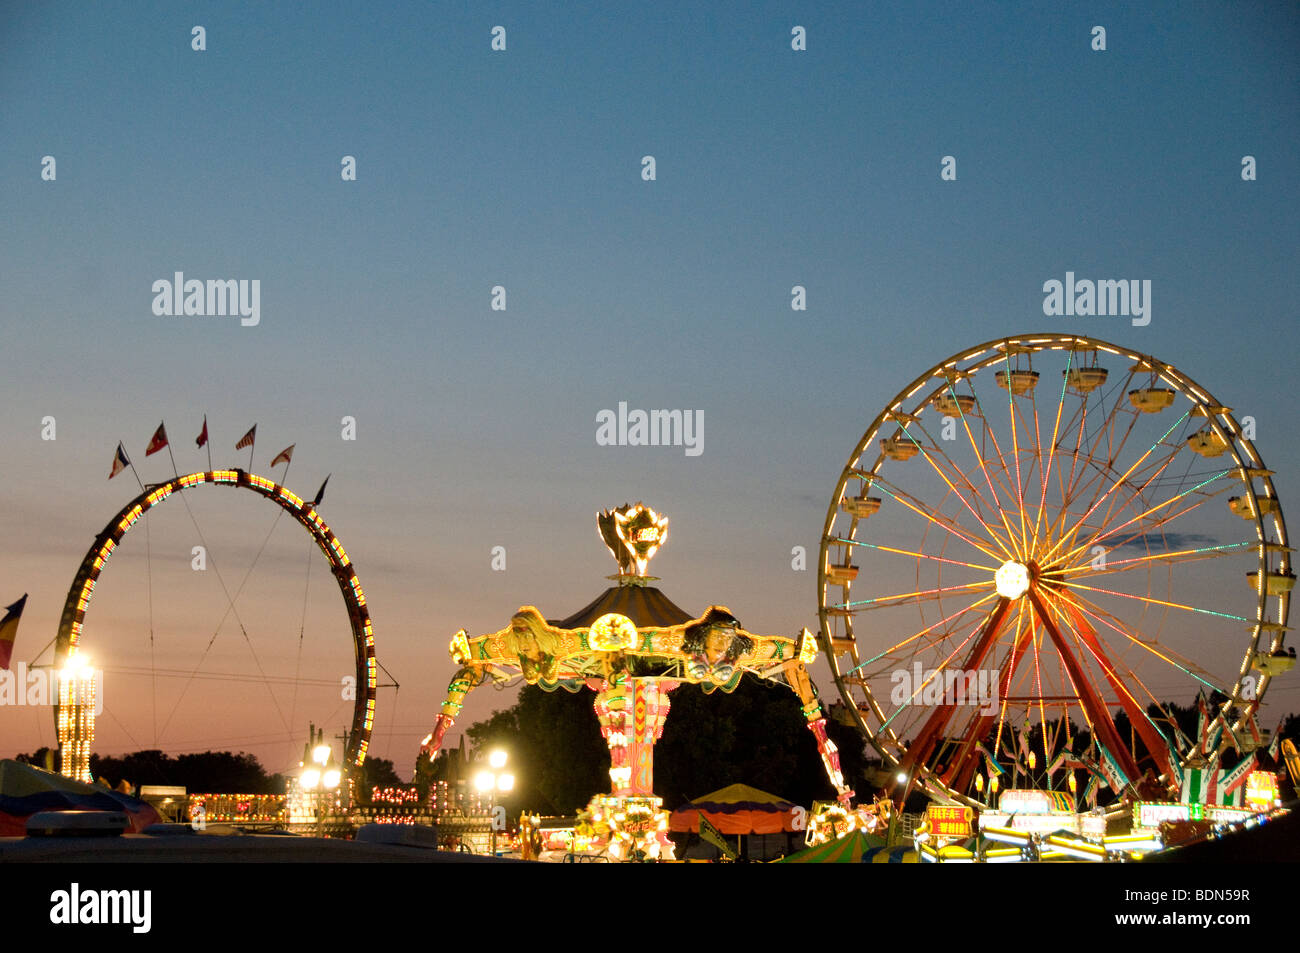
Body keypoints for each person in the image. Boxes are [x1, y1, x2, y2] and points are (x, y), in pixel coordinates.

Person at [681, 607, 752, 684]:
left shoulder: (740, 652)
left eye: (729, 638)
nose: (723, 644)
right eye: (717, 636)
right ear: (704, 635)